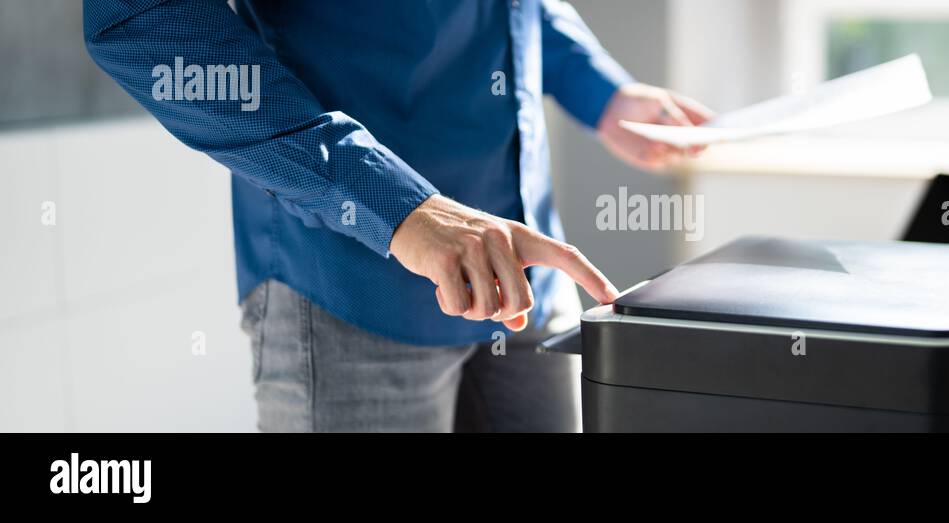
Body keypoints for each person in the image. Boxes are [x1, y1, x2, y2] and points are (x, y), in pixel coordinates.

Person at [84, 0, 713, 432]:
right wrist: (394, 205)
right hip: (347, 289)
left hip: (525, 282)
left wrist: (600, 91)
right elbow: (139, 19)